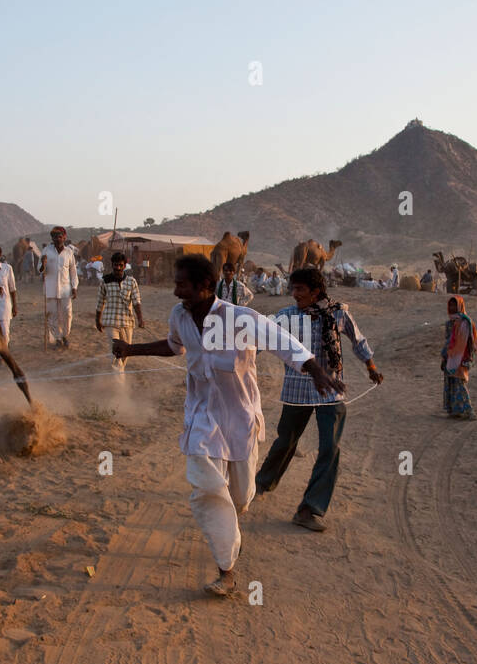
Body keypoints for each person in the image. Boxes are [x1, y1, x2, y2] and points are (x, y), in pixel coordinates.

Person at [113, 255, 342, 596]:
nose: (176, 291)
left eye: (182, 284)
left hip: (241, 419)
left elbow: (282, 342)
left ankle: (231, 537)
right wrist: (132, 349)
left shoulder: (239, 318)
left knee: (240, 496)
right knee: (207, 488)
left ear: (205, 286)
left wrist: (317, 370)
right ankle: (226, 570)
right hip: (202, 416)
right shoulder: (179, 316)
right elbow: (175, 346)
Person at [254, 267, 383, 532]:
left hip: (330, 392)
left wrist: (371, 368)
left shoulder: (338, 313)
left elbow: (358, 341)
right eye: (293, 289)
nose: (295, 294)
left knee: (329, 450)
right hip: (297, 391)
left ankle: (309, 508)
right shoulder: (287, 316)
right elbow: (262, 339)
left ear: (315, 292)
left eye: (300, 289)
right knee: (286, 441)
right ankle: (260, 485)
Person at [96, 251, 145, 372]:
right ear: (112, 265)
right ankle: (118, 382)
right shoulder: (105, 281)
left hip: (127, 322)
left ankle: (119, 373)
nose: (118, 268)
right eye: (115, 265)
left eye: (120, 265)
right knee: (116, 351)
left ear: (124, 266)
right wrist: (98, 320)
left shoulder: (131, 281)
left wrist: (140, 319)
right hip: (110, 322)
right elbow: (100, 302)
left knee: (126, 351)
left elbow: (136, 301)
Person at [441, 295, 477, 419]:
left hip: (462, 357)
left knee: (460, 382)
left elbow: (467, 342)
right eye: (450, 305)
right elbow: (448, 340)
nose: (452, 307)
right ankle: (455, 410)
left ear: (460, 306)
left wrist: (467, 358)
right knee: (450, 382)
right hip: (450, 357)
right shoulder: (449, 323)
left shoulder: (465, 322)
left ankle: (469, 410)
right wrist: (445, 356)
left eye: (454, 305)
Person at [40, 226, 79, 348]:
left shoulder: (69, 252)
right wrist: (43, 263)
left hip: (65, 289)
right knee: (52, 314)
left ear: (64, 237)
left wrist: (74, 287)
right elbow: (40, 270)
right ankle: (57, 338)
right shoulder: (46, 251)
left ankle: (65, 335)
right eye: (55, 237)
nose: (57, 239)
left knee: (67, 313)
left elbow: (73, 272)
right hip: (50, 288)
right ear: (52, 238)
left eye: (59, 236)